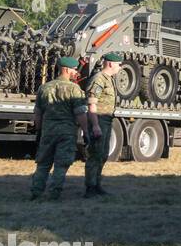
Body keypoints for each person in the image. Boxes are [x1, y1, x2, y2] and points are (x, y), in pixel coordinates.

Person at [30, 55, 89, 200]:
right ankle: (54, 193)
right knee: (61, 165)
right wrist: (86, 131)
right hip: (66, 132)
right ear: (66, 70)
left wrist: (39, 130)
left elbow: (38, 114)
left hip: (48, 131)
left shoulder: (44, 88)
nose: (76, 72)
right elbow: (80, 114)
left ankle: (36, 192)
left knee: (43, 163)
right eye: (74, 69)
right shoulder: (74, 89)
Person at [84, 51, 123, 198]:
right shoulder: (99, 79)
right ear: (111, 63)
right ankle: (90, 187)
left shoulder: (108, 79)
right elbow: (92, 103)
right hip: (98, 120)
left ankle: (97, 184)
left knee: (103, 154)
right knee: (95, 154)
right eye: (119, 65)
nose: (120, 68)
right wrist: (95, 125)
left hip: (106, 120)